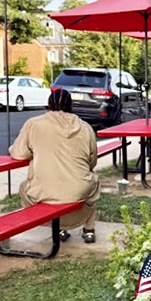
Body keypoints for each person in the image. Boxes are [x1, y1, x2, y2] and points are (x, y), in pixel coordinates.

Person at [9, 88, 100, 243]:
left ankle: (58, 227)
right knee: (92, 181)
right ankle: (89, 229)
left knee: (25, 187)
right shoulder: (85, 127)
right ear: (71, 105)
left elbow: (19, 153)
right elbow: (92, 162)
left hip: (43, 191)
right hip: (79, 190)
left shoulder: (33, 125)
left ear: (48, 105)